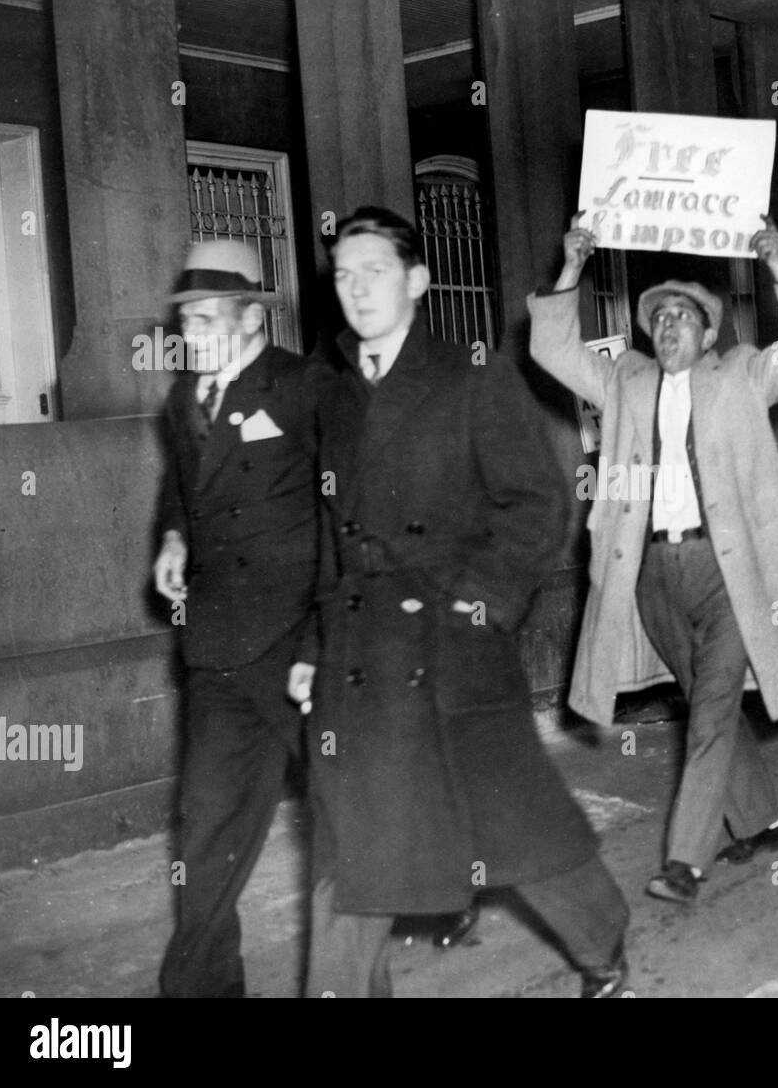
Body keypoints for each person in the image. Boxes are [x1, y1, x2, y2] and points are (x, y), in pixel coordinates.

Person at [291, 206, 628, 998]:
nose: (356, 289)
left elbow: (538, 506)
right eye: (343, 275)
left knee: (514, 830)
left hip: (450, 652)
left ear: (416, 279)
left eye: (374, 271)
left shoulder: (473, 379)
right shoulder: (332, 398)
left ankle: (602, 942)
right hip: (357, 660)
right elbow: (326, 538)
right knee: (350, 858)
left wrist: (475, 606)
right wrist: (311, 648)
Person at [529, 214, 778, 905]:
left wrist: (777, 260)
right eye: (662, 317)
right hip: (649, 573)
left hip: (730, 571)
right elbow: (553, 350)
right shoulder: (622, 381)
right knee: (704, 702)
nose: (671, 325)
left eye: (686, 315)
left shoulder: (740, 375)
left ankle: (686, 859)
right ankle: (760, 820)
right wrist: (571, 267)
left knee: (709, 710)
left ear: (711, 333)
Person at [153, 239, 327, 996]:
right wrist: (173, 536)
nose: (188, 335)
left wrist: (326, 637)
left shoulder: (301, 387)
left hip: (299, 643)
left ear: (249, 317)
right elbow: (184, 487)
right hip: (220, 645)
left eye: (203, 319)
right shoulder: (182, 399)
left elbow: (341, 515)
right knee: (207, 827)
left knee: (354, 812)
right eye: (184, 320)